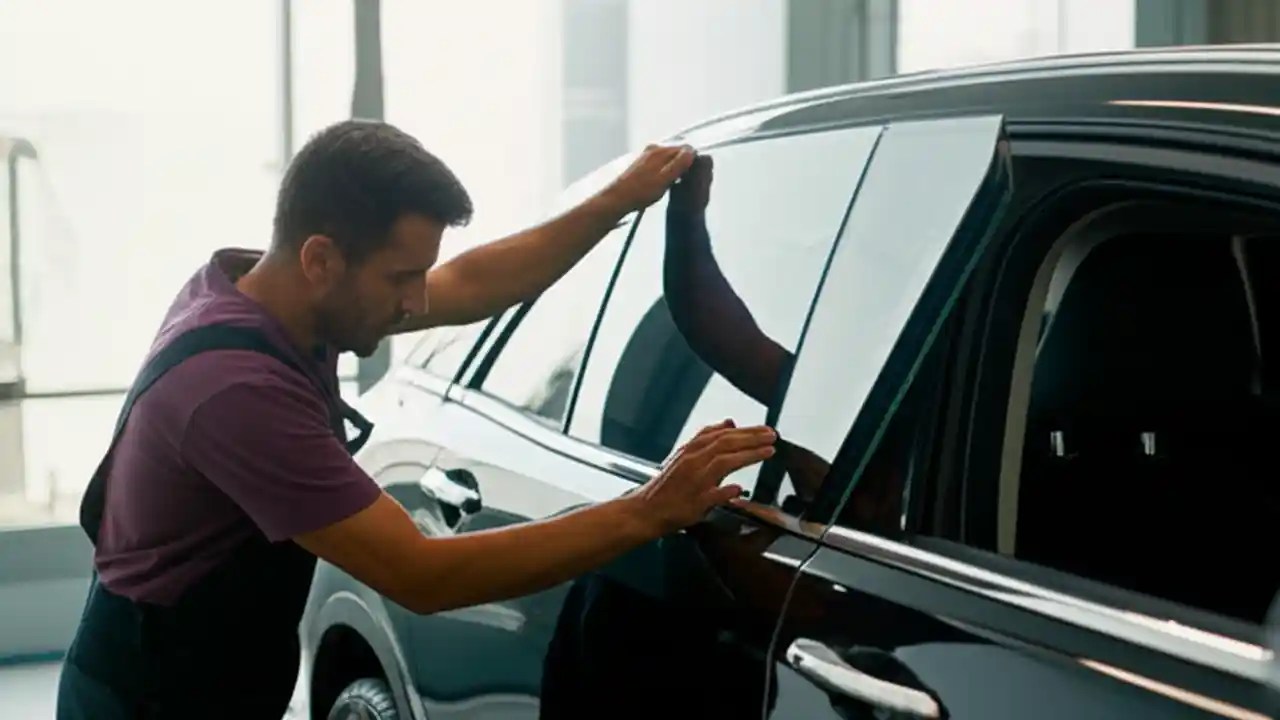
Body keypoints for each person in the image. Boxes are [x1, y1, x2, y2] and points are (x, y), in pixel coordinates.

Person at [55, 119, 777, 719]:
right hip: (146, 702)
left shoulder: (262, 292)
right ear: (320, 259)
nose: (416, 302)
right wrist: (648, 511)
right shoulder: (233, 390)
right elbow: (422, 574)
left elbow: (468, 283)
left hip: (198, 680)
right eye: (400, 279)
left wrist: (618, 198)